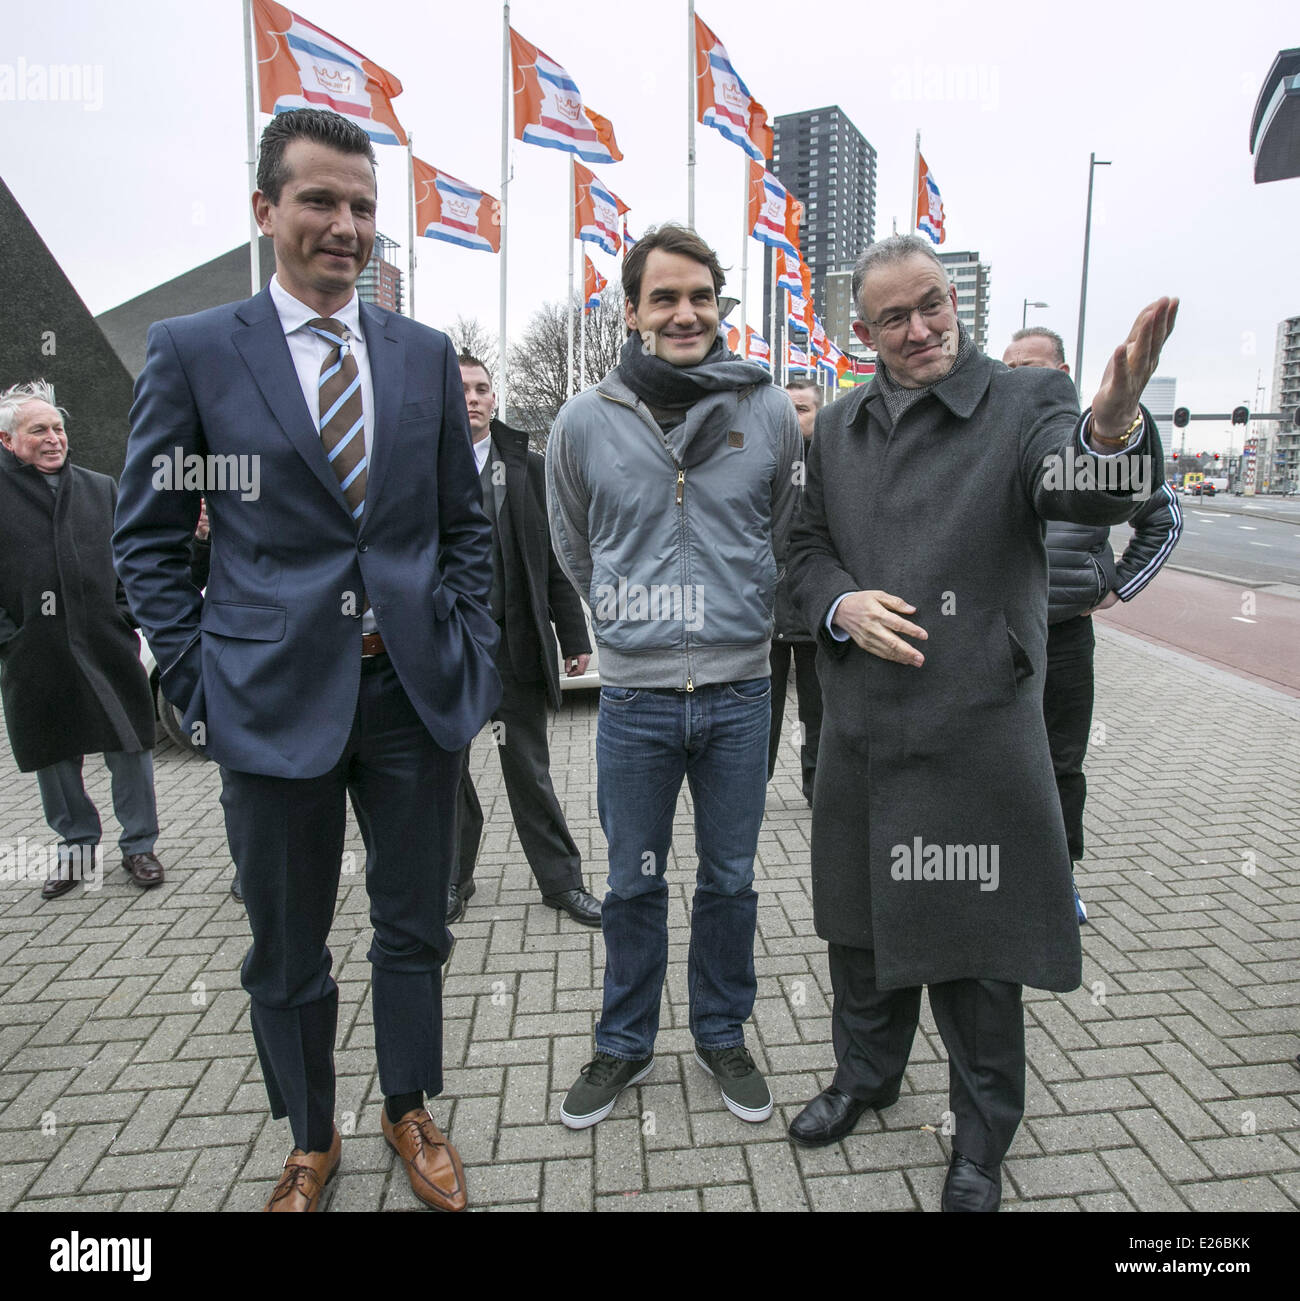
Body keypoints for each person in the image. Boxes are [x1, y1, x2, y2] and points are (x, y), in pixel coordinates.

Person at [113, 109, 501, 1213]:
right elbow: (146, 535)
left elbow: (460, 525)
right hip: (269, 701)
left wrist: (465, 648)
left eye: (364, 207)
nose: (346, 226)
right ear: (266, 210)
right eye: (321, 201)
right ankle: (311, 1131)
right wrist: (197, 678)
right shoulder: (193, 350)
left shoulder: (422, 354)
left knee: (413, 925)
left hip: (409, 697)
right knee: (285, 944)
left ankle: (409, 1106)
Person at [785, 233, 1176, 1211]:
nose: (919, 329)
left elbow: (1073, 483)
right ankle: (864, 1077)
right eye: (893, 316)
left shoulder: (1024, 402)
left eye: (932, 305)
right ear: (860, 330)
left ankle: (980, 1136)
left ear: (953, 301)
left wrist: (1115, 422)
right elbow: (801, 552)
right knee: (859, 929)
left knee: (974, 951)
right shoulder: (833, 429)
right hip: (865, 730)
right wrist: (841, 604)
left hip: (973, 735)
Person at [547, 224, 803, 1129]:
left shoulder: (766, 409)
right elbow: (575, 547)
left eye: (701, 295)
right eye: (665, 296)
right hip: (635, 701)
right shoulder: (583, 421)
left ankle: (722, 1029)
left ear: (719, 304)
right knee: (633, 882)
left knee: (730, 879)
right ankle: (623, 1041)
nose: (685, 312)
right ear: (632, 311)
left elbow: (779, 533)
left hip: (741, 694)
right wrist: (627, 622)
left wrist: (733, 609)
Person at [1003, 328, 1183, 923]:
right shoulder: (993, 436)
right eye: (1009, 366)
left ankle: (1059, 879)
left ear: (1062, 371)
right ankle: (991, 880)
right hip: (994, 635)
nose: (1019, 376)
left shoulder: (1091, 444)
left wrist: (1117, 587)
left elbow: (1163, 516)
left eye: (1031, 366)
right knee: (991, 762)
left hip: (1064, 635)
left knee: (1060, 762)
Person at [450, 355, 601, 927]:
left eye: (482, 388)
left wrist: (572, 631)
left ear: (495, 399)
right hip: (452, 653)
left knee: (529, 769)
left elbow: (554, 560)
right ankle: (452, 879)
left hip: (514, 649)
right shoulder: (421, 465)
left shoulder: (527, 468)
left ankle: (561, 882)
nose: (472, 398)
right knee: (446, 772)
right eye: (460, 389)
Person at [0, 381, 164, 900]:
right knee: (54, 750)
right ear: (7, 441)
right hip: (34, 651)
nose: (53, 439)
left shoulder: (100, 488)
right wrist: (11, 639)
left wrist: (124, 614)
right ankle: (76, 848)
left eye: (58, 428)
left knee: (130, 742)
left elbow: (130, 561)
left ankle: (139, 845)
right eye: (38, 430)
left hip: (105, 643)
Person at [768, 378, 824, 805]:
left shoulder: (833, 464)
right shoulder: (760, 459)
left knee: (817, 710)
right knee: (760, 712)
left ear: (819, 414)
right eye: (786, 408)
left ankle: (818, 787)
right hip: (765, 611)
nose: (792, 416)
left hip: (813, 610)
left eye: (802, 409)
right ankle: (751, 786)